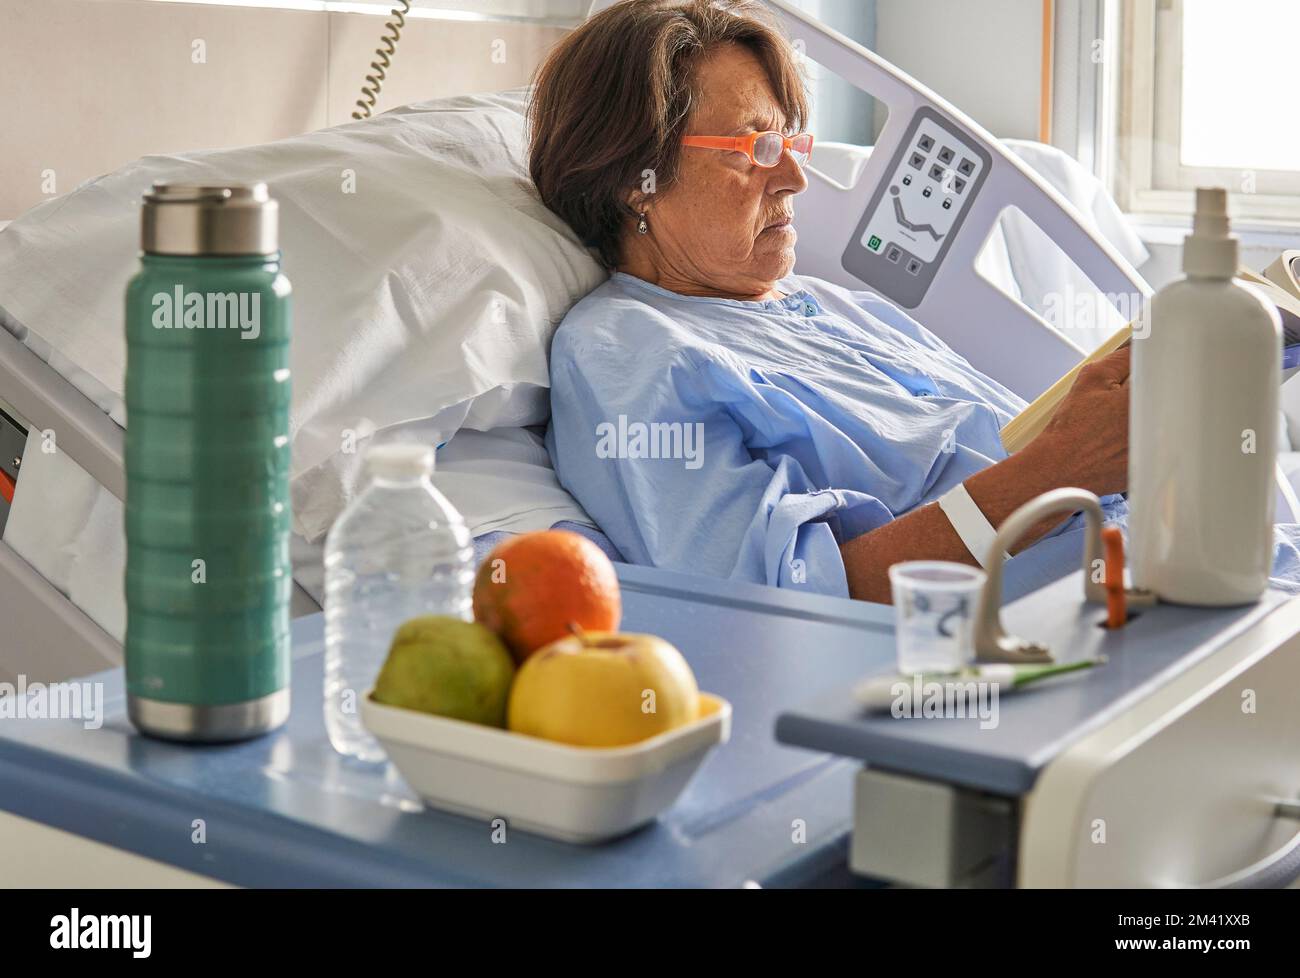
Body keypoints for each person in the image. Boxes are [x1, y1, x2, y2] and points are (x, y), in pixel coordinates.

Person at [529, 0, 1299, 602]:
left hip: (1212, 567)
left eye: (792, 144)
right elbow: (785, 607)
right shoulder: (627, 356)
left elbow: (1008, 447)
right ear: (636, 177)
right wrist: (1061, 469)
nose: (796, 178)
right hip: (1085, 638)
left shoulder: (835, 308)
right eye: (755, 149)